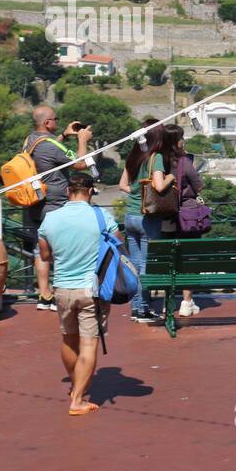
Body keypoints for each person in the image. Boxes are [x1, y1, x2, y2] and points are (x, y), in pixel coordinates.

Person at [36, 171, 115, 416]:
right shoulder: (102, 216)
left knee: (68, 339)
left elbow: (46, 255)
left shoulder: (50, 219)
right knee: (88, 343)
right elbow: (116, 247)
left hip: (62, 288)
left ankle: (75, 384)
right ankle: (78, 399)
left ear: (68, 191)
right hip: (91, 290)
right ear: (90, 191)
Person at [22, 105, 94, 312]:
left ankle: (44, 295)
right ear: (47, 123)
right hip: (55, 205)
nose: (57, 121)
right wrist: (82, 140)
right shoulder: (50, 146)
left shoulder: (30, 141)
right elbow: (81, 164)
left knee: (40, 250)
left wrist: (63, 135)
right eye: (55, 119)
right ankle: (63, 294)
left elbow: (48, 154)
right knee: (63, 249)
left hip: (36, 203)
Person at [118, 123, 174, 323]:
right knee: (145, 267)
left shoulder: (133, 156)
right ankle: (142, 309)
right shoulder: (155, 157)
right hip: (148, 218)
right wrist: (171, 177)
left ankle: (135, 307)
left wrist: (136, 192)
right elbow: (159, 186)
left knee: (134, 265)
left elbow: (122, 185)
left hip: (130, 216)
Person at [159, 124, 204, 318]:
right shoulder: (184, 162)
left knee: (169, 259)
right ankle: (186, 302)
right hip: (188, 216)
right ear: (178, 141)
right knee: (188, 259)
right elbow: (199, 186)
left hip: (165, 216)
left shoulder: (158, 161)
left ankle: (167, 302)